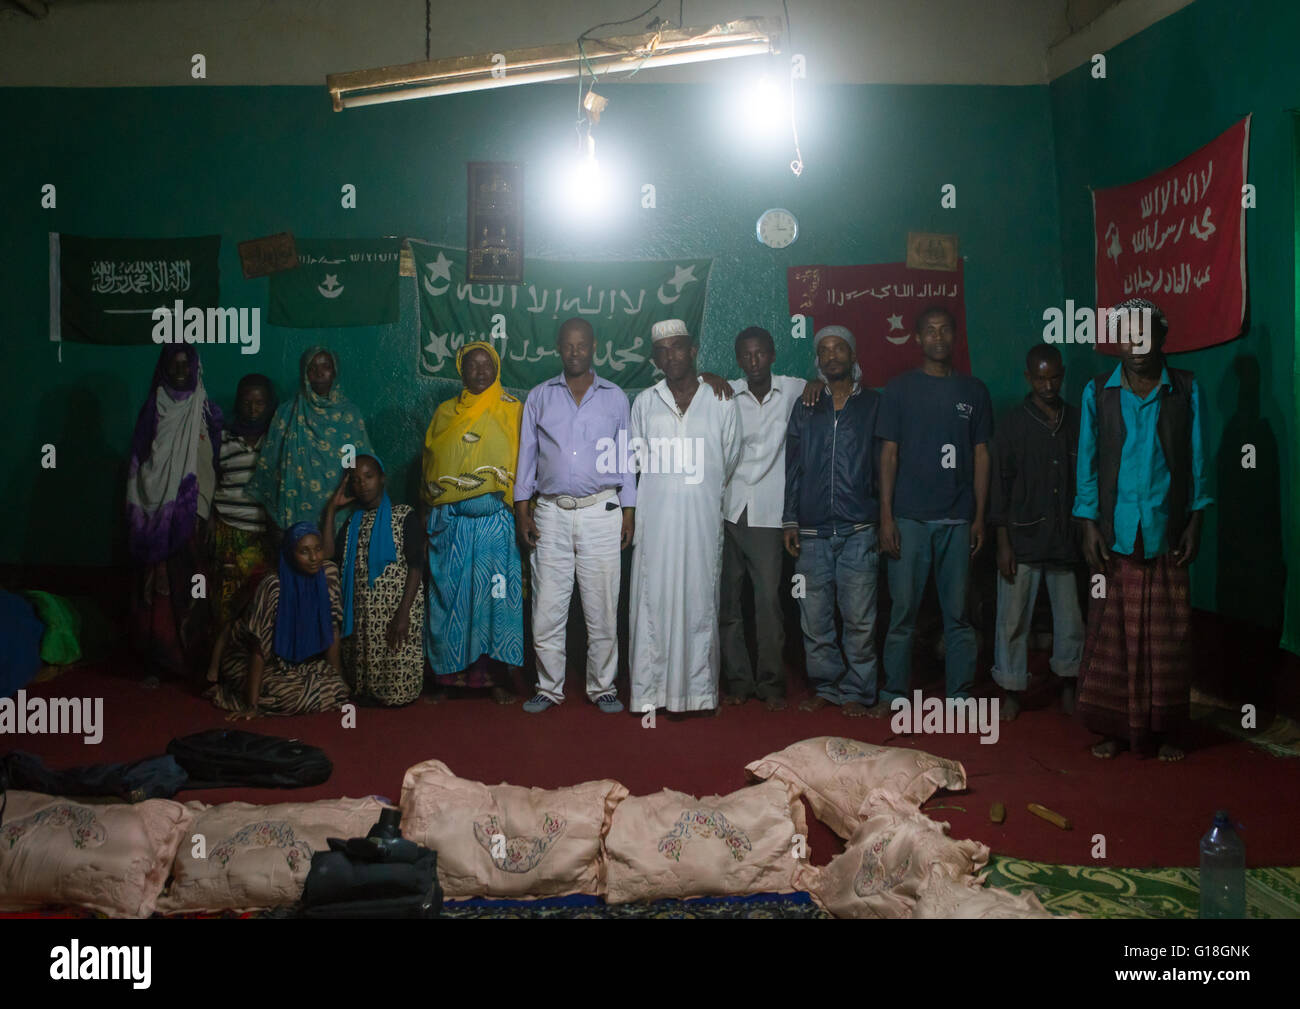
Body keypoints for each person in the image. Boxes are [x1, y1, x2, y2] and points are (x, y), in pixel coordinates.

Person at [1073, 299, 1211, 761]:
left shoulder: (1186, 390)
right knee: (1114, 637)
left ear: (1161, 339)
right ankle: (1116, 727)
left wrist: (1195, 520)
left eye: (1145, 335)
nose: (1136, 346)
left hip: (1166, 532)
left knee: (1167, 638)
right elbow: (1087, 466)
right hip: (1116, 535)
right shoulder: (1099, 392)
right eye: (1127, 336)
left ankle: (1166, 728)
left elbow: (1198, 463)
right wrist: (1089, 523)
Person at [515, 318, 636, 714]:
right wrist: (522, 511)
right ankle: (548, 688)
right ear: (558, 349)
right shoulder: (539, 396)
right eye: (568, 345)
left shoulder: (615, 397)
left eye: (581, 345)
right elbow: (526, 458)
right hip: (550, 512)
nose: (575, 352)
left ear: (594, 347)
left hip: (602, 510)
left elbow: (626, 458)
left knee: (602, 607)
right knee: (547, 607)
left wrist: (628, 512)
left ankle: (602, 687)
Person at [878, 306, 992, 705]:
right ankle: (895, 692)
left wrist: (979, 516)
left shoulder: (973, 390)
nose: (938, 337)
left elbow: (981, 455)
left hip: (958, 519)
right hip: (909, 518)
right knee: (903, 614)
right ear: (917, 338)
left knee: (958, 615)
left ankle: (960, 694)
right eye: (930, 331)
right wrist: (886, 517)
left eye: (945, 330)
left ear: (955, 337)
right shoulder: (899, 389)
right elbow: (888, 455)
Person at [628, 319, 742, 715]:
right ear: (655, 358)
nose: (670, 356)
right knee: (652, 601)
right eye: (662, 350)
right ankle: (650, 694)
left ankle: (697, 695)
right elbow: (636, 462)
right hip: (656, 519)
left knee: (698, 600)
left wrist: (698, 490)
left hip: (702, 517)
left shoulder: (722, 399)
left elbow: (729, 458)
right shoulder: (645, 402)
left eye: (678, 348)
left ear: (693, 351)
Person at [783, 325, 883, 716]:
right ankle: (826, 686)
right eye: (823, 351)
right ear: (818, 361)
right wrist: (790, 518)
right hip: (811, 530)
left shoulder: (873, 404)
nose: (831, 356)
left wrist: (879, 513)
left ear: (852, 355)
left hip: (859, 528)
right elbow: (792, 465)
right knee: (814, 617)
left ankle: (858, 690)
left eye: (838, 348)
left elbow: (884, 462)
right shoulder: (806, 405)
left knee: (859, 618)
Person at [421, 341, 523, 703]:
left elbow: (525, 463)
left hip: (495, 524)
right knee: (450, 600)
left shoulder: (512, 410)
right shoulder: (445, 412)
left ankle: (493, 680)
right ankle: (446, 680)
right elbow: (432, 464)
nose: (480, 372)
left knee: (494, 601)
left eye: (486, 365)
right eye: (472, 366)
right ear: (460, 371)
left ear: (497, 368)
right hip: (452, 526)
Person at [989, 343, 1084, 720]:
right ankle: (1012, 687)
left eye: (1054, 377)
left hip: (1065, 538)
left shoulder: (1076, 420)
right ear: (1028, 378)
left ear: (1062, 374)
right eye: (1040, 378)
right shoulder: (1013, 424)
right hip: (1022, 538)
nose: (1048, 385)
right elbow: (999, 486)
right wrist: (1003, 544)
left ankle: (1069, 683)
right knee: (1012, 620)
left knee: (1071, 619)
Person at [126, 345, 223, 681]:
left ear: (196, 367)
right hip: (155, 514)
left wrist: (208, 512)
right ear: (164, 369)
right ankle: (156, 661)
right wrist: (148, 507)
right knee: (158, 587)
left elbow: (213, 465)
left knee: (191, 585)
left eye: (187, 364)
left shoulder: (207, 411)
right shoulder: (153, 409)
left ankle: (192, 662)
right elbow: (139, 464)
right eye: (174, 365)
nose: (181, 371)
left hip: (193, 511)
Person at [721, 326, 805, 711]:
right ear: (739, 359)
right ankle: (738, 681)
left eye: (759, 354)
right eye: (745, 355)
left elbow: (846, 378)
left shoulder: (793, 389)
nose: (753, 361)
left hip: (770, 514)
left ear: (772, 355)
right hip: (727, 508)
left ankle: (771, 684)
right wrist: (707, 376)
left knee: (768, 604)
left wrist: (820, 381)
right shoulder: (726, 393)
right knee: (728, 603)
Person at [206, 521, 350, 718]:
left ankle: (303, 693)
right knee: (287, 696)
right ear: (290, 554)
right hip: (249, 658)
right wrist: (252, 706)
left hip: (292, 661)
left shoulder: (329, 574)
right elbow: (259, 648)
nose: (314, 558)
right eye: (304, 552)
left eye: (318, 549)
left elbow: (332, 630)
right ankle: (231, 692)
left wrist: (338, 682)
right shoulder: (273, 586)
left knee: (336, 688)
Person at [322, 454, 426, 707]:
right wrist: (331, 509)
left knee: (396, 688)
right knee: (364, 685)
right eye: (356, 480)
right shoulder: (352, 522)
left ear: (382, 479)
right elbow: (326, 555)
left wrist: (403, 613)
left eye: (368, 477)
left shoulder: (403, 516)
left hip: (396, 611)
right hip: (363, 615)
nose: (363, 484)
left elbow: (416, 566)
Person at [247, 346, 371, 531]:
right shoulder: (287, 413)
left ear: (335, 371)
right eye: (312, 368)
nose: (320, 373)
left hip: (340, 508)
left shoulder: (349, 416)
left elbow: (354, 461)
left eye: (326, 366)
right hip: (296, 507)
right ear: (304, 374)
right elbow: (271, 463)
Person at [211, 374, 277, 627]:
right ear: (238, 403)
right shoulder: (224, 440)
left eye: (259, 402)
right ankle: (222, 661)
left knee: (259, 605)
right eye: (247, 401)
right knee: (224, 604)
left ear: (269, 404)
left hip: (263, 536)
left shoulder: (276, 441)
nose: (253, 408)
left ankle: (252, 664)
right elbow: (211, 482)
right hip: (229, 533)